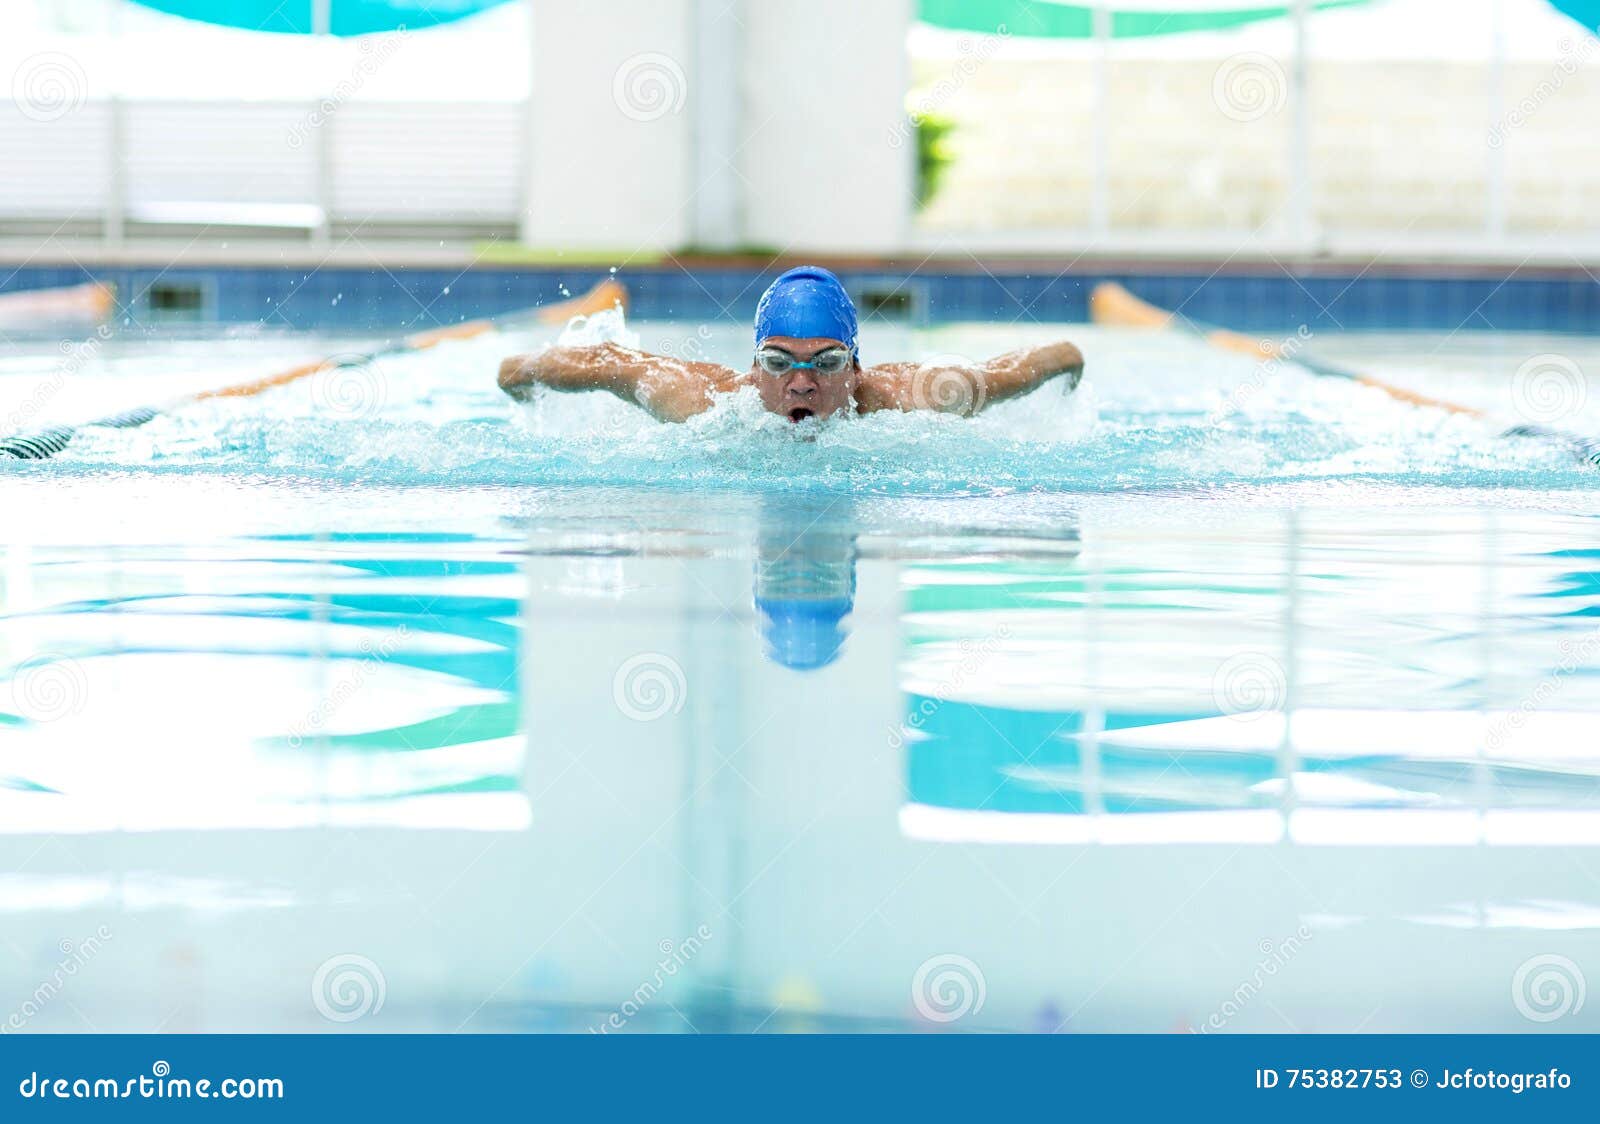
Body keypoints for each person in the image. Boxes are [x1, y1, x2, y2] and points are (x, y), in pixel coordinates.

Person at [498, 266, 1084, 422]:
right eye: (779, 362)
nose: (801, 382)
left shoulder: (918, 396)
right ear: (753, 369)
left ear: (856, 369)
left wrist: (1070, 369)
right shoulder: (697, 400)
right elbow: (606, 362)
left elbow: (1036, 363)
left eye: (826, 362)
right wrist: (521, 380)